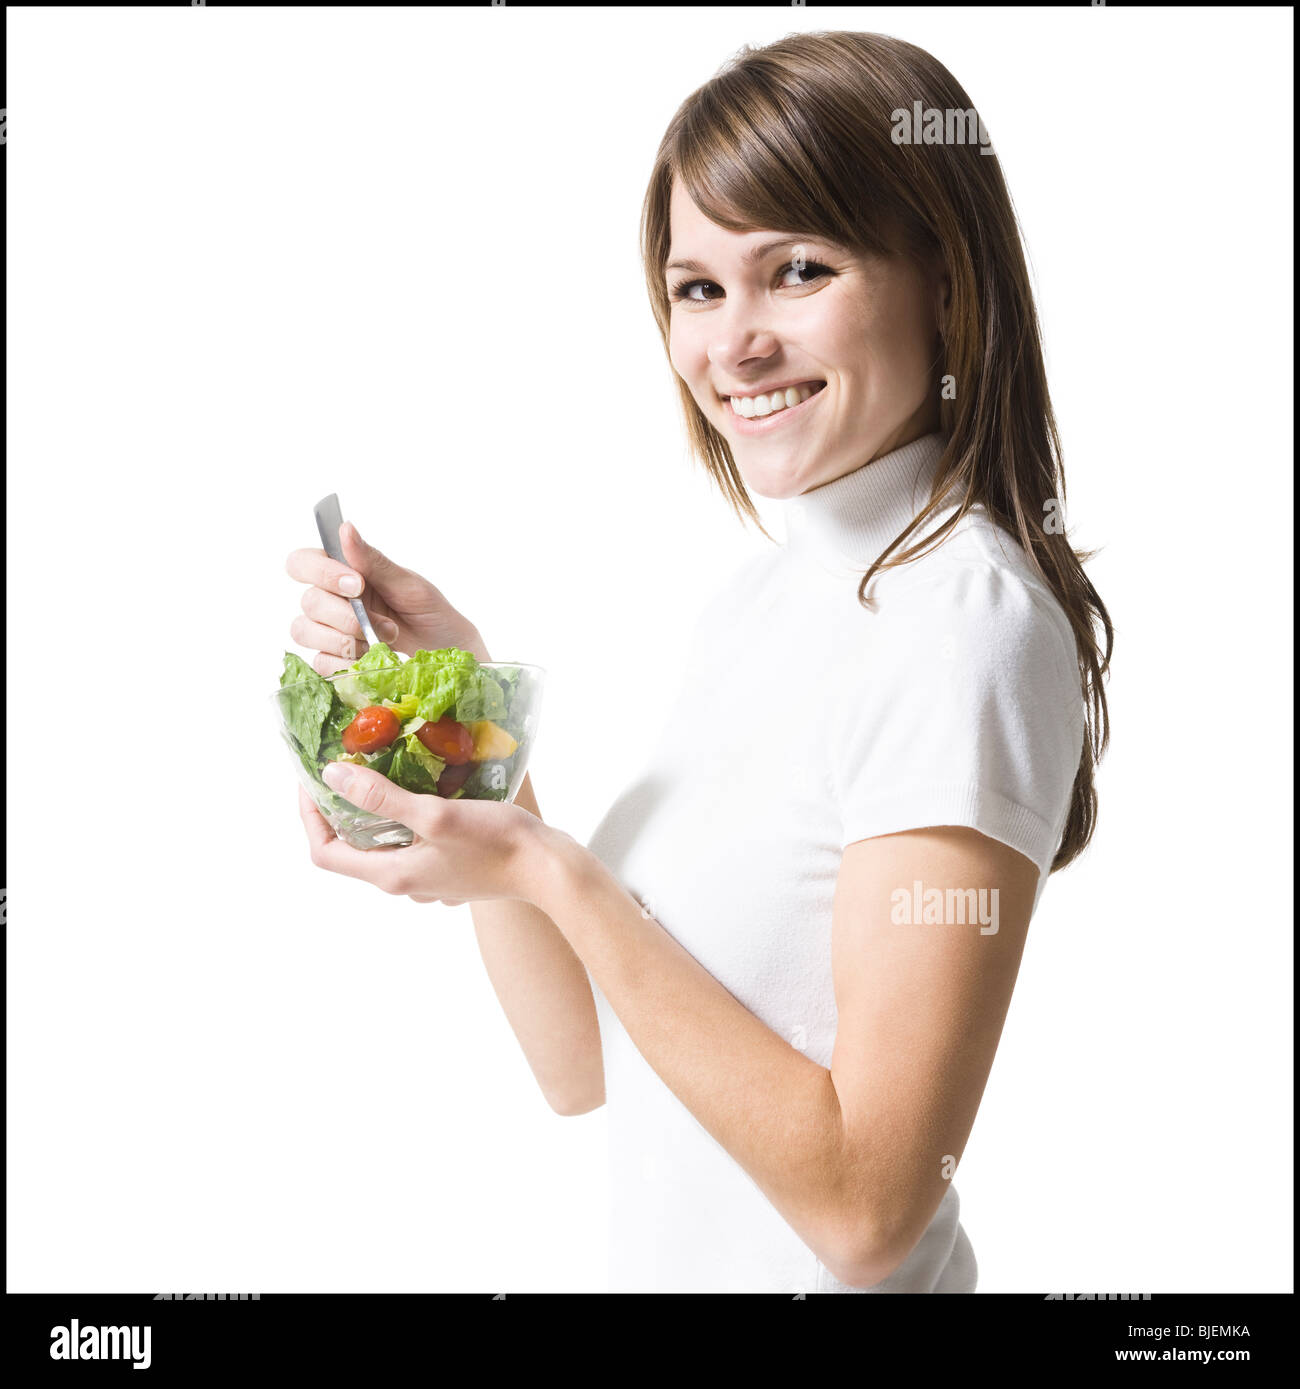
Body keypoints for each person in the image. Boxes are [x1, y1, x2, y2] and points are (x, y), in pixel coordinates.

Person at [284, 30, 1112, 1293]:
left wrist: (554, 872)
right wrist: (472, 741)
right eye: (697, 289)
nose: (734, 347)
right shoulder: (768, 603)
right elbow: (585, 1066)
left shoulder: (962, 622)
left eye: (796, 270)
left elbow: (871, 1213)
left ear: (944, 280)